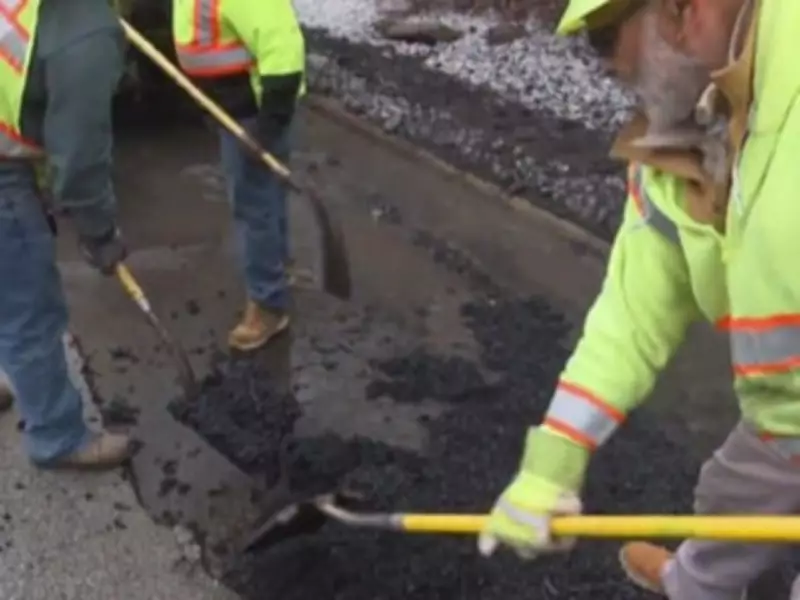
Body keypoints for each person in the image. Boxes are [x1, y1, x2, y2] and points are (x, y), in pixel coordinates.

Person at [479, 0, 800, 598]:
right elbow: (631, 313)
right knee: (726, 499)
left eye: (607, 40)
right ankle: (695, 585)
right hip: (785, 413)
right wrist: (552, 460)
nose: (607, 68)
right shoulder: (682, 137)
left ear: (685, 12)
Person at [0, 0, 132, 468]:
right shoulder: (85, 30)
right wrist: (99, 232)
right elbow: (79, 160)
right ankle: (57, 438)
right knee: (29, 313)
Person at [171, 0, 305, 351]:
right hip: (233, 108)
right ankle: (277, 266)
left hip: (254, 115)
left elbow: (283, 47)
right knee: (266, 196)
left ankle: (268, 305)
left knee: (253, 205)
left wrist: (268, 126)